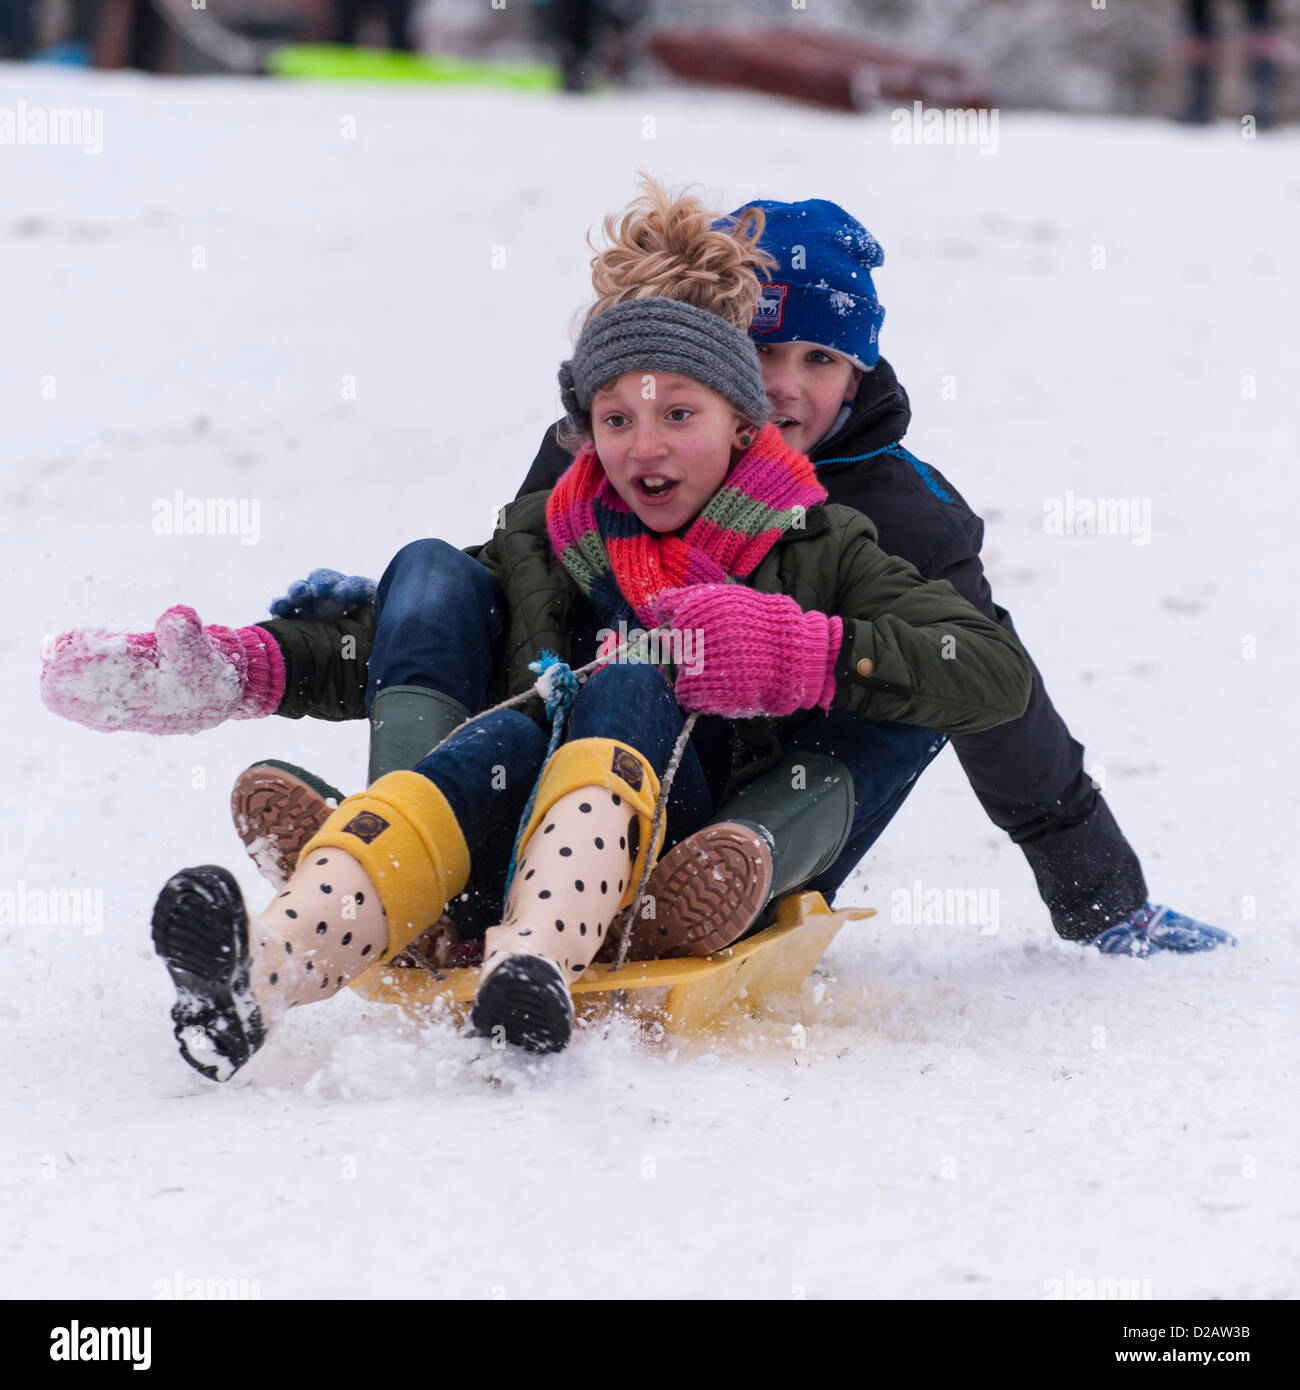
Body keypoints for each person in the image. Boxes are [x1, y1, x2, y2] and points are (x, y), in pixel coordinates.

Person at [42, 186, 1033, 1073]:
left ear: (742, 425)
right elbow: (436, 633)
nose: (644, 448)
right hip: (526, 806)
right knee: (477, 698)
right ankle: (251, 982)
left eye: (679, 415)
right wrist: (248, 664)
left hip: (695, 832)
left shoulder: (824, 540)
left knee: (667, 675)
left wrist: (803, 650)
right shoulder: (552, 531)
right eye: (615, 419)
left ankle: (555, 949)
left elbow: (990, 673)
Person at [230, 188, 1241, 959]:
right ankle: (408, 850)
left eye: (822, 359)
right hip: (568, 766)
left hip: (753, 806)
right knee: (440, 572)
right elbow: (511, 593)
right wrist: (374, 624)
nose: (787, 385)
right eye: (764, 348)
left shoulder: (898, 513)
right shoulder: (610, 449)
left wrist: (1102, 897)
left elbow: (995, 692)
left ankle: (716, 877)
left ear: (862, 372)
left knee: (911, 682)